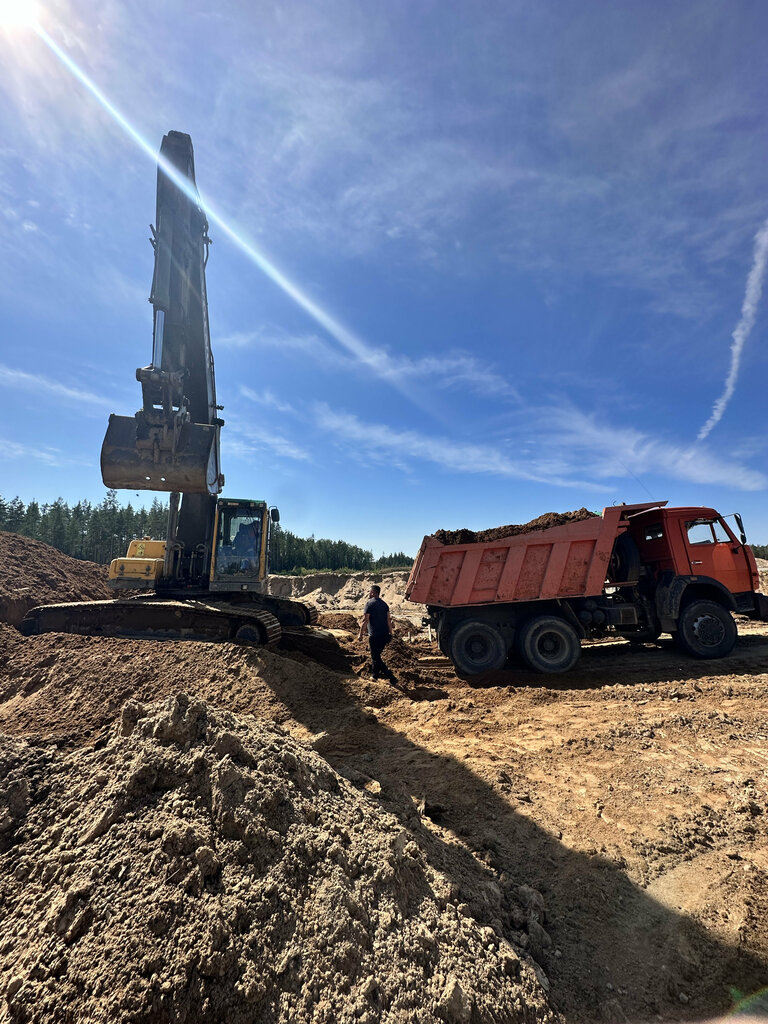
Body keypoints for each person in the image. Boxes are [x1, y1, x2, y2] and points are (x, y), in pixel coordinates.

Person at [358, 584, 394, 680]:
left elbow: (365, 620)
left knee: (375, 657)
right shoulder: (385, 604)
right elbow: (388, 620)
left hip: (374, 635)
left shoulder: (369, 604)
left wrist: (360, 634)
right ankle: (375, 676)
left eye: (370, 591)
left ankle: (390, 676)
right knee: (376, 656)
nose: (369, 593)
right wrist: (391, 633)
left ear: (373, 592)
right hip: (385, 634)